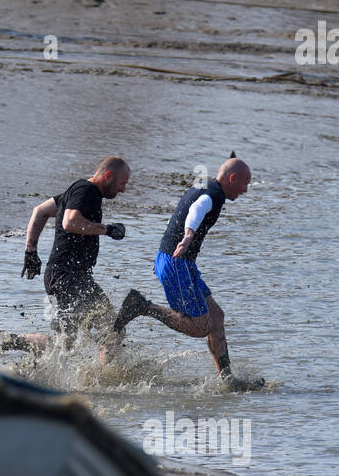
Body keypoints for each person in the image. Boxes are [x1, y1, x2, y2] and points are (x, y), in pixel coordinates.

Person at [111, 156, 263, 390]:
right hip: (177, 262)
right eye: (245, 183)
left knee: (217, 318)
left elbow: (177, 215)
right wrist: (188, 236)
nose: (245, 190)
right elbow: (196, 209)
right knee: (200, 326)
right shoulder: (213, 194)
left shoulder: (203, 185)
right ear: (232, 178)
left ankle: (228, 380)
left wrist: (163, 253)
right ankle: (141, 306)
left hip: (178, 261)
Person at [0, 157, 130, 361]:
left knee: (64, 343)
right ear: (108, 176)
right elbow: (70, 222)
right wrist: (107, 229)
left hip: (64, 276)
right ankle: (99, 382)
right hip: (69, 276)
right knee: (114, 330)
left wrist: (30, 252)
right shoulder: (86, 191)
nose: (123, 190)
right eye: (122, 183)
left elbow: (40, 211)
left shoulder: (76, 190)